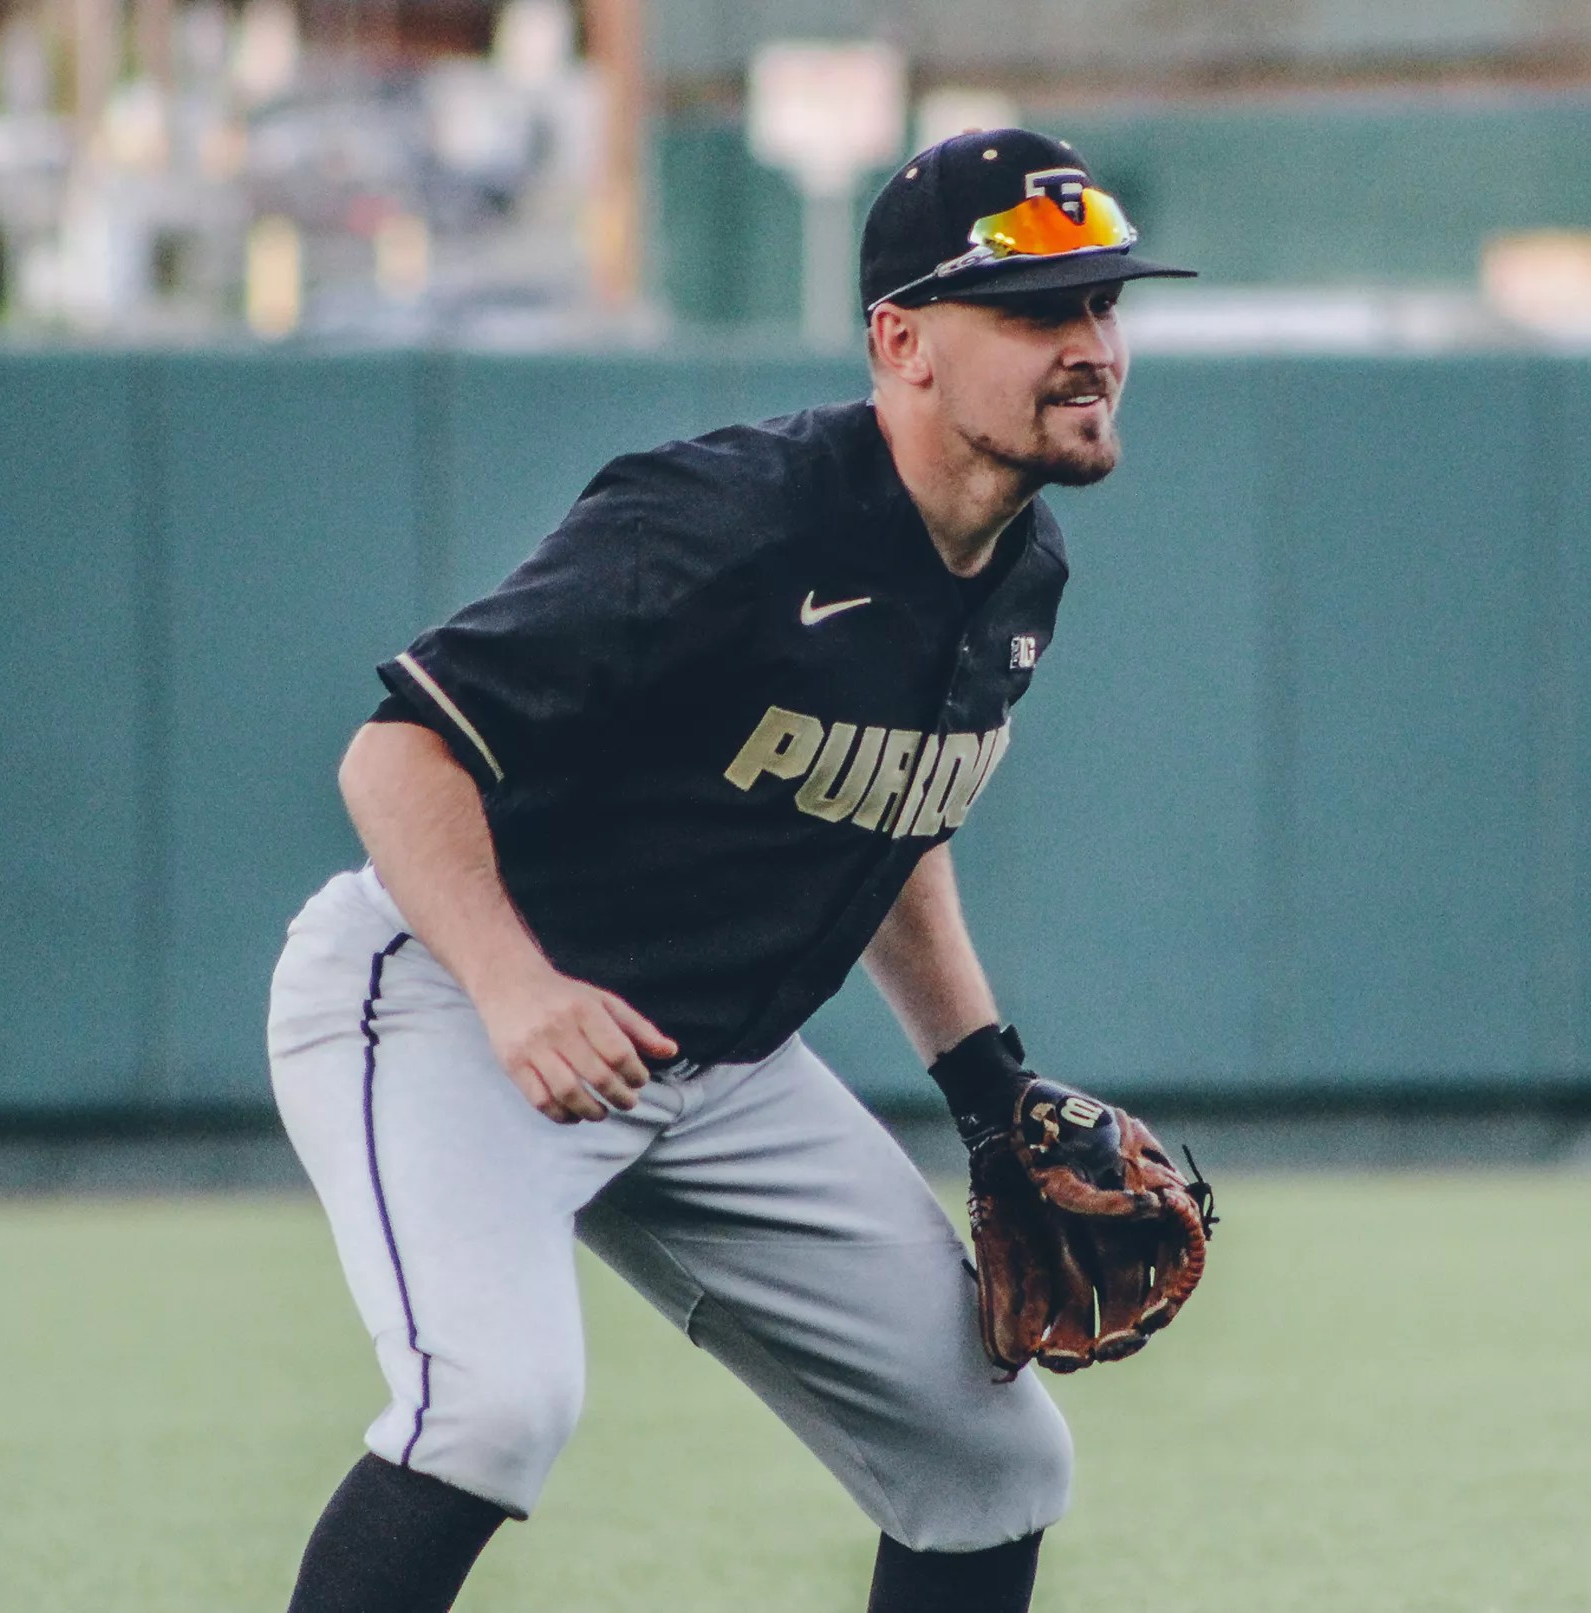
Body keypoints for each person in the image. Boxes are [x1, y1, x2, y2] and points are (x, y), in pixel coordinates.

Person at [267, 127, 1196, 1613]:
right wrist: (515, 990)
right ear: (905, 341)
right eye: (1037, 312)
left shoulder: (1023, 569)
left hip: (720, 1064)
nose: (1092, 346)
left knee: (991, 1464)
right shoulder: (728, 518)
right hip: (448, 998)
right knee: (490, 1408)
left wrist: (985, 1083)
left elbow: (892, 815)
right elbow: (396, 755)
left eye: (1106, 307)